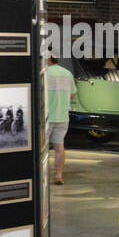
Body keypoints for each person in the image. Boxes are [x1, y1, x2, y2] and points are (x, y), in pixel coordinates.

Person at [44, 56, 76, 185]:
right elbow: (73, 94)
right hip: (62, 116)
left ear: (48, 59)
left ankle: (43, 177)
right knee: (59, 147)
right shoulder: (67, 73)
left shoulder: (45, 73)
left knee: (43, 149)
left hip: (46, 117)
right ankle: (58, 175)